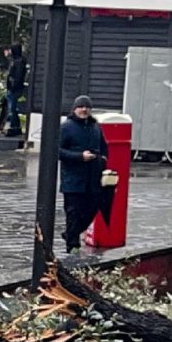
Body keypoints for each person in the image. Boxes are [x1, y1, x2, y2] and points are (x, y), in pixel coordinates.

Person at [56, 97, 114, 254]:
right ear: (74, 109)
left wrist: (103, 159)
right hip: (73, 180)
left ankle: (70, 234)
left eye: (87, 107)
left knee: (92, 210)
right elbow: (57, 151)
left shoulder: (95, 126)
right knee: (73, 213)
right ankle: (72, 247)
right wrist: (80, 156)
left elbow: (103, 146)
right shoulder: (66, 127)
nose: (84, 110)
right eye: (80, 107)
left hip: (93, 179)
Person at [1, 45, 31, 137]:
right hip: (15, 88)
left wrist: (12, 86)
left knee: (12, 108)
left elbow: (17, 76)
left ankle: (13, 127)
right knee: (13, 108)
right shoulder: (19, 61)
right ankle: (16, 127)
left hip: (14, 89)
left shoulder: (17, 62)